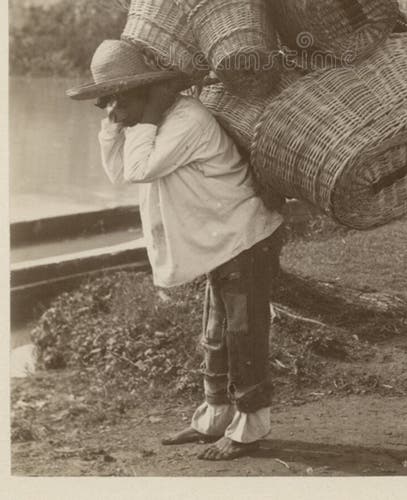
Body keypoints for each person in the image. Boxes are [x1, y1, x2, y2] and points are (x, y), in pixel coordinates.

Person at [67, 39, 283, 461]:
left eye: (120, 96)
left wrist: (142, 118)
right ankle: (215, 417)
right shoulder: (149, 122)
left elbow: (139, 168)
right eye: (106, 99)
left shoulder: (187, 119)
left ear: (151, 92)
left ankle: (251, 427)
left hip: (243, 234)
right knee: (216, 333)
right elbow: (117, 171)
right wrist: (115, 122)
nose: (113, 106)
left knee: (243, 332)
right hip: (220, 240)